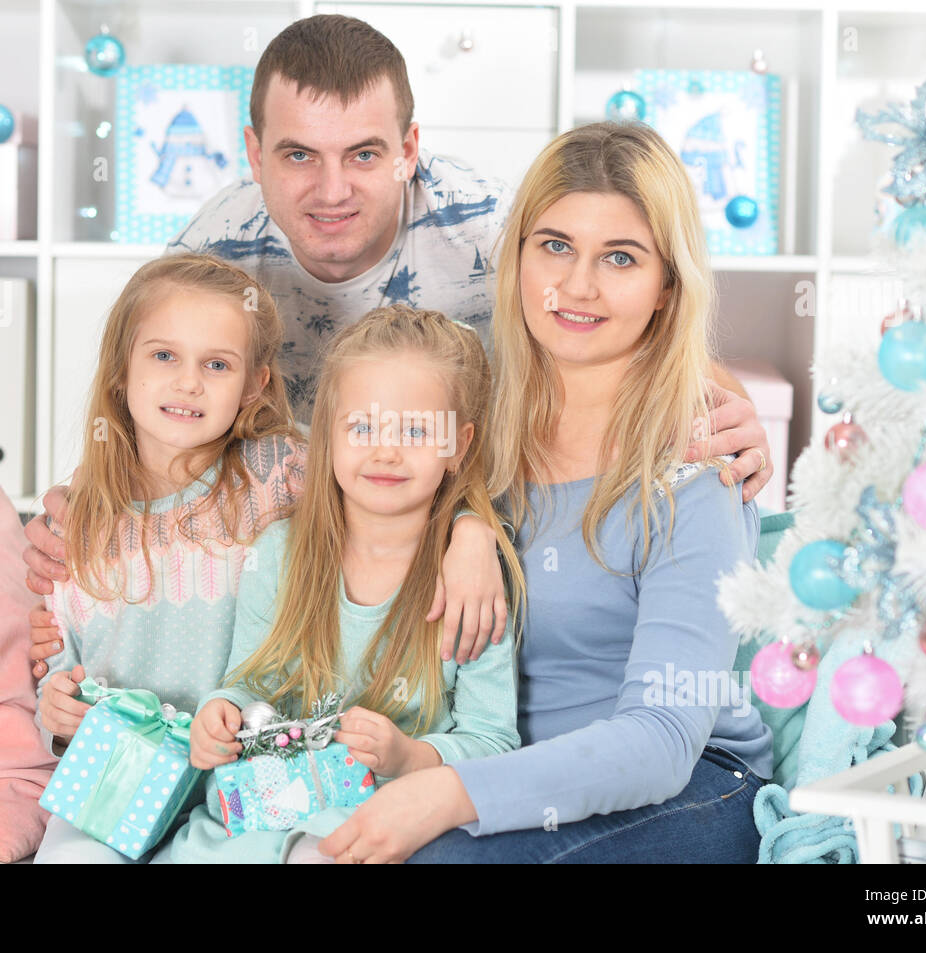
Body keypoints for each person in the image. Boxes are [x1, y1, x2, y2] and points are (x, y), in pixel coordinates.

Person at [22, 14, 775, 669]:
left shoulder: (488, 230)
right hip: (279, 530)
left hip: (443, 503)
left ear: (410, 147)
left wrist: (733, 412)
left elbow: (628, 316)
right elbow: (150, 399)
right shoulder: (214, 252)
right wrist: (90, 505)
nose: (332, 190)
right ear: (253, 154)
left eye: (364, 154)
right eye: (298, 155)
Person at [317, 121, 774, 864]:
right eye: (555, 245)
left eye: (620, 257)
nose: (577, 285)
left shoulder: (699, 467)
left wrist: (452, 791)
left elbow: (660, 739)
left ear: (666, 286)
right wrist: (470, 519)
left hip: (689, 782)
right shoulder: (467, 426)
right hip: (499, 766)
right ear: (519, 256)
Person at [170, 304, 524, 863]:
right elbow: (250, 684)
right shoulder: (281, 553)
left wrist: (409, 757)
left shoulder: (470, 581)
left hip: (381, 820)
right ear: (327, 436)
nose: (385, 450)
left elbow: (493, 740)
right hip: (263, 810)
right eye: (362, 427)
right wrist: (222, 710)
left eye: (415, 429)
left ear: (458, 445)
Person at [32, 253, 305, 863]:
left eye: (216, 364)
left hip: (250, 773)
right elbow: (58, 659)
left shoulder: (281, 475)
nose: (189, 382)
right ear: (121, 371)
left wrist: (469, 531)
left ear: (255, 384)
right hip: (119, 774)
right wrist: (54, 705)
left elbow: (390, 497)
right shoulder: (76, 519)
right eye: (163, 356)